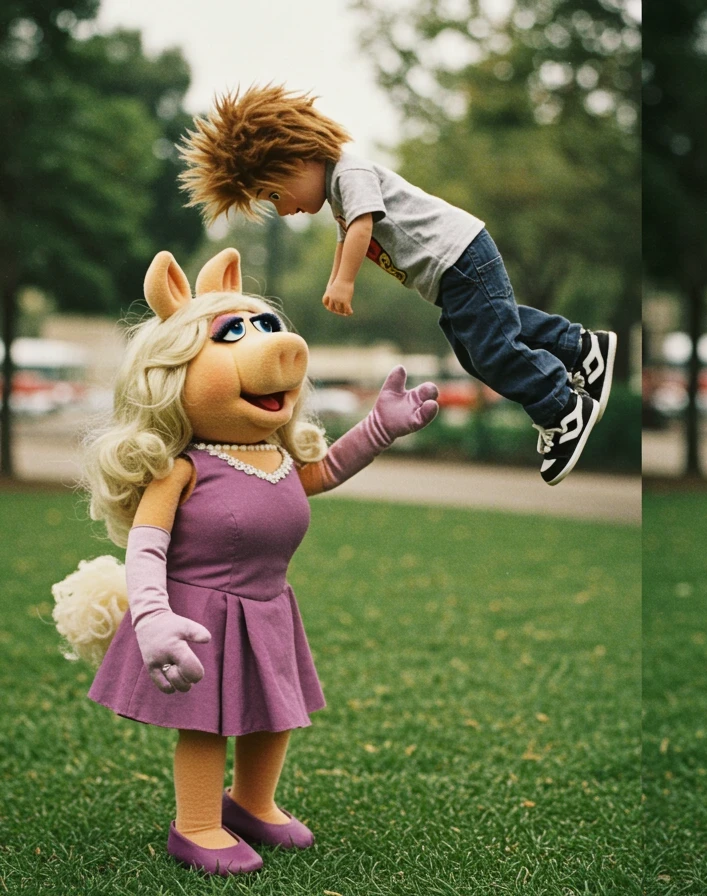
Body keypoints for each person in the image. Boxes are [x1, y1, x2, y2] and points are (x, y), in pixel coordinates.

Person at [56, 248, 438, 875]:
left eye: (264, 326)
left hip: (268, 606)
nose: (270, 343)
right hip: (197, 613)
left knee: (273, 713)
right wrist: (152, 617)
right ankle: (196, 825)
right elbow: (146, 549)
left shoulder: (275, 456)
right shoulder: (180, 468)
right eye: (232, 332)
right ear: (171, 373)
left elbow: (327, 468)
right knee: (206, 725)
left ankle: (250, 802)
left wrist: (379, 428)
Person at [178, 84, 615, 485]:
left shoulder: (350, 173)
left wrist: (345, 282)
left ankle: (561, 407)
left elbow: (363, 226)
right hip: (453, 271)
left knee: (490, 348)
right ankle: (581, 349)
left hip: (459, 257)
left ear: (296, 160)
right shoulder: (338, 194)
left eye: (275, 196)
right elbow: (347, 235)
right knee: (479, 344)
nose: (284, 210)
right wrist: (334, 277)